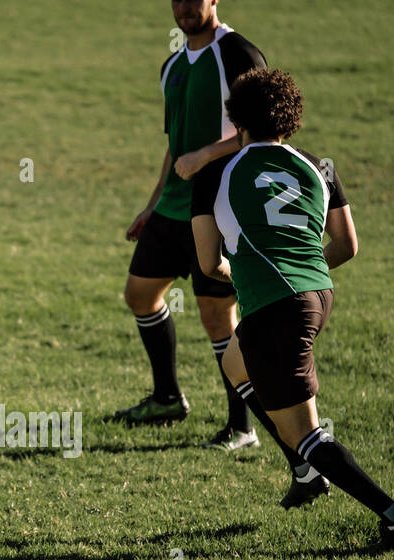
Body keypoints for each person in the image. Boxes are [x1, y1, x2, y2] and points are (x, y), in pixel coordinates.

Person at [193, 67, 394, 548]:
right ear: (289, 117)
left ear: (237, 119)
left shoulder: (216, 172)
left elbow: (209, 262)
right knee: (235, 365)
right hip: (318, 294)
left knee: (306, 432)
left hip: (276, 307)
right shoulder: (318, 165)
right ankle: (304, 471)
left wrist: (247, 275)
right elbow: (346, 245)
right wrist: (301, 274)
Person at [116, 0, 266, 453]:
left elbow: (262, 130)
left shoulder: (238, 54)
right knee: (140, 295)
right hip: (173, 207)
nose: (184, 6)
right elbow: (174, 144)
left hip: (219, 207)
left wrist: (204, 156)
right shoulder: (172, 65)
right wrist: (153, 203)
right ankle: (167, 398)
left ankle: (241, 428)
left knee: (217, 316)